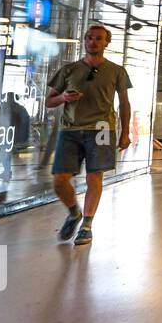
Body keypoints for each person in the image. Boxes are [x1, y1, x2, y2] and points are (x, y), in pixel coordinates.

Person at [46, 24, 133, 246]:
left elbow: (124, 103)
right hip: (70, 130)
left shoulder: (117, 71)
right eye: (89, 38)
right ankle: (73, 211)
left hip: (102, 128)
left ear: (106, 43)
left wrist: (125, 132)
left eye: (98, 38)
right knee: (59, 179)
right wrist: (64, 98)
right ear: (84, 41)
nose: (93, 42)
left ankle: (87, 224)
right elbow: (49, 101)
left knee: (95, 176)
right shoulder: (69, 70)